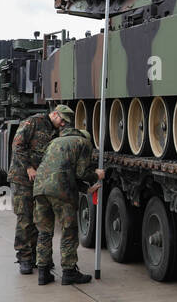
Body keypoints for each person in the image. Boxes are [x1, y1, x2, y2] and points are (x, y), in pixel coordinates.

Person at [31, 105, 104, 286]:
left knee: (44, 231)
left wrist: (87, 190)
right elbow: (80, 172)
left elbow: (62, 169)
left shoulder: (55, 142)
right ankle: (69, 272)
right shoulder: (83, 143)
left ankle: (43, 272)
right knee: (69, 231)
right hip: (61, 192)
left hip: (40, 188)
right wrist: (97, 175)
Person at [7, 108, 64, 274]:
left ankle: (36, 256)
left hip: (39, 180)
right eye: (62, 120)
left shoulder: (54, 130)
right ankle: (24, 257)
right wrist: (29, 167)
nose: (63, 124)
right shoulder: (33, 122)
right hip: (22, 178)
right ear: (54, 114)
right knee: (25, 218)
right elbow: (17, 145)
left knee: (39, 218)